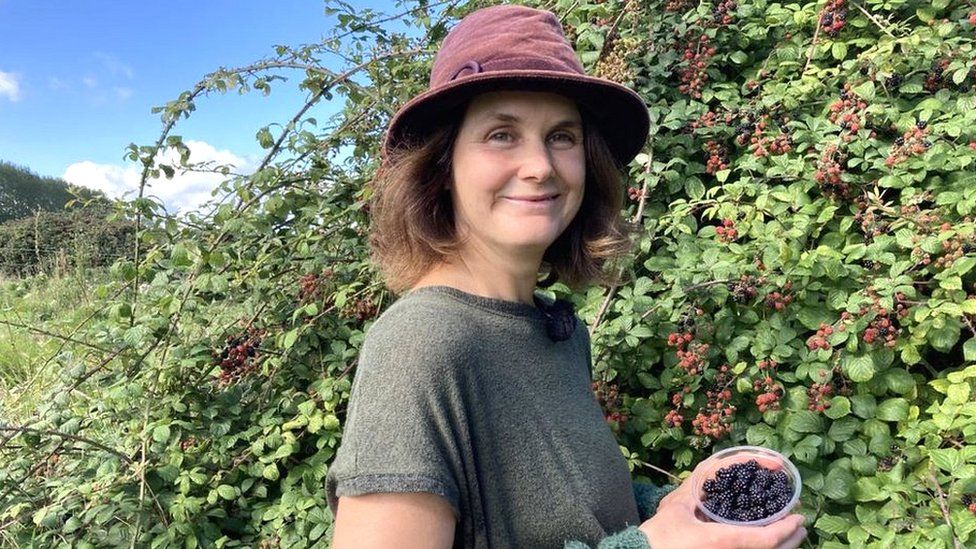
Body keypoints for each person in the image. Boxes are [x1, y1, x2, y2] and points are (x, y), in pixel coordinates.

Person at [325, 4, 808, 548]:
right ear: (442, 166)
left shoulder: (556, 330)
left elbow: (565, 513)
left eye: (561, 136)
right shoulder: (420, 344)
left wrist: (673, 508)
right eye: (501, 134)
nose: (540, 166)